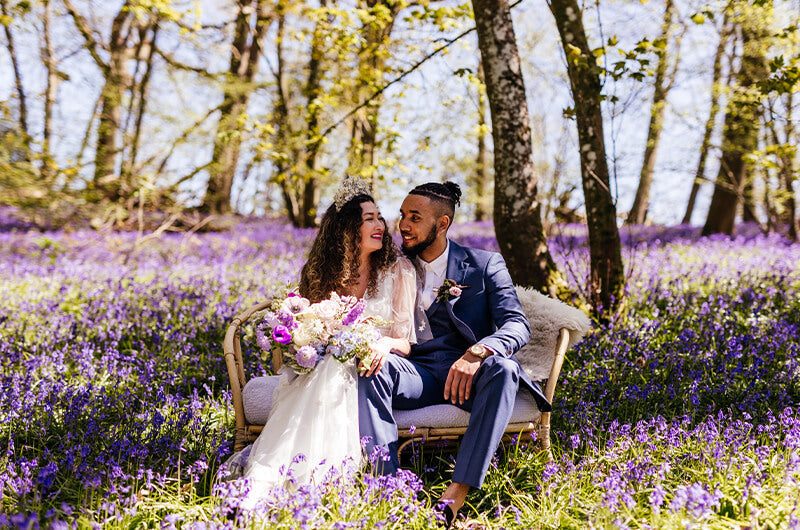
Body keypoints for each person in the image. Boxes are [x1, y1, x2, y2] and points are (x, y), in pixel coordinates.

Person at [357, 181, 552, 527]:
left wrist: (477, 352)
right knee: (373, 369)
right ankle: (383, 490)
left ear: (442, 223)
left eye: (415, 217)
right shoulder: (394, 267)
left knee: (504, 370)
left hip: (470, 376)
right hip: (417, 371)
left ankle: (454, 496)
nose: (403, 225)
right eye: (402, 215)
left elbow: (517, 325)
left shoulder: (484, 264)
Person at [240, 179, 418, 506]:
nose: (380, 225)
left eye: (380, 217)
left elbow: (405, 343)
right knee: (329, 367)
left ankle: (325, 481)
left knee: (338, 369)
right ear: (347, 229)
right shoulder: (321, 274)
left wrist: (381, 345)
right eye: (369, 219)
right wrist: (310, 337)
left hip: (375, 363)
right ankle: (297, 481)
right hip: (326, 362)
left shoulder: (399, 270)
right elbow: (306, 323)